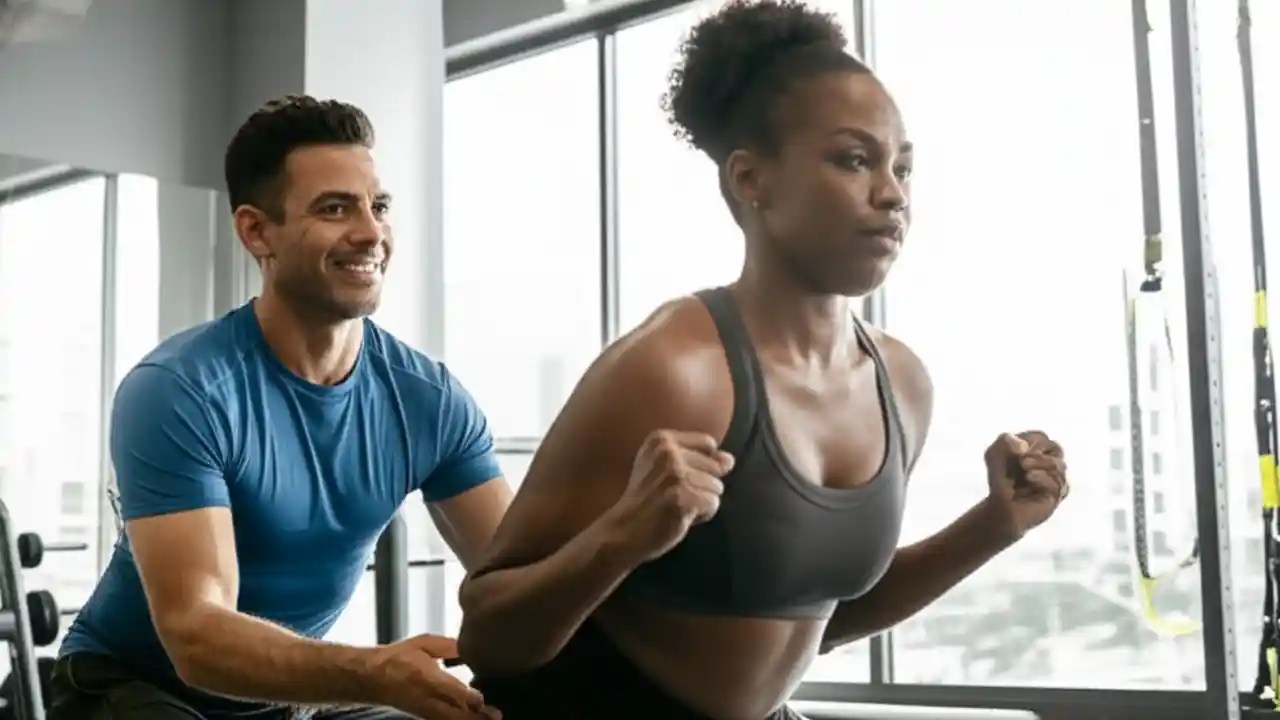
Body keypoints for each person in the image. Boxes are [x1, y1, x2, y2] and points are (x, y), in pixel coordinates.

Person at [455, 2, 1070, 719]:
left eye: (903, 166)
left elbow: (818, 618)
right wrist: (621, 537)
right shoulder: (673, 369)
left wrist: (994, 525)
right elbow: (490, 635)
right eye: (853, 159)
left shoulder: (901, 384)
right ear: (750, 181)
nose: (893, 193)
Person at [49, 96, 509, 720]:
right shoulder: (179, 389)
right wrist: (373, 671)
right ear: (255, 231)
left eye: (378, 207)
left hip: (287, 702)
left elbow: (516, 579)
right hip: (134, 686)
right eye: (334, 208)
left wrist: (629, 534)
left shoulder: (427, 400)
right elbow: (197, 635)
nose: (371, 232)